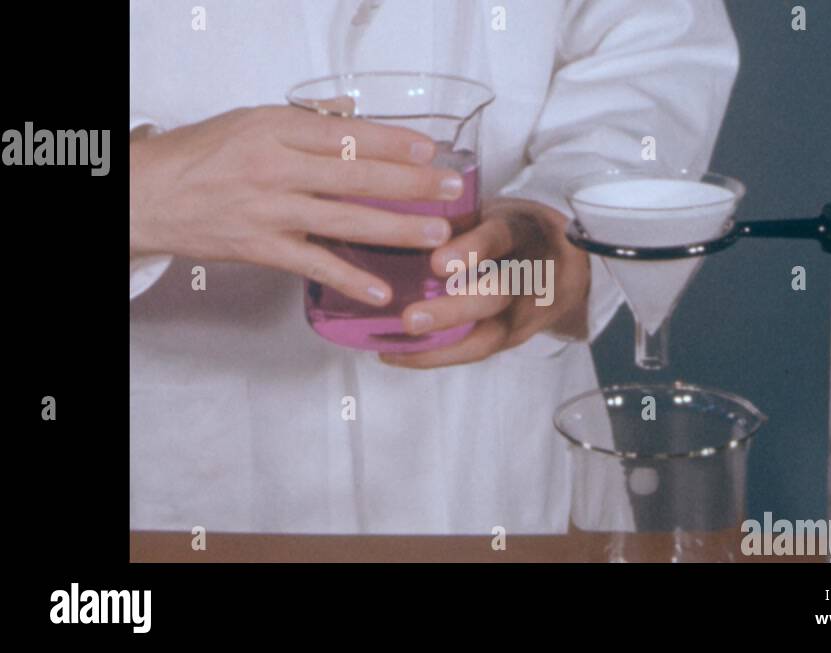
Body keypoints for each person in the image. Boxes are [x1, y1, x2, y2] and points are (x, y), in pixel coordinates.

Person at [129, 0, 739, 534]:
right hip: (182, 482)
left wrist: (567, 227)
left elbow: (659, 47)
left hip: (495, 464)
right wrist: (143, 186)